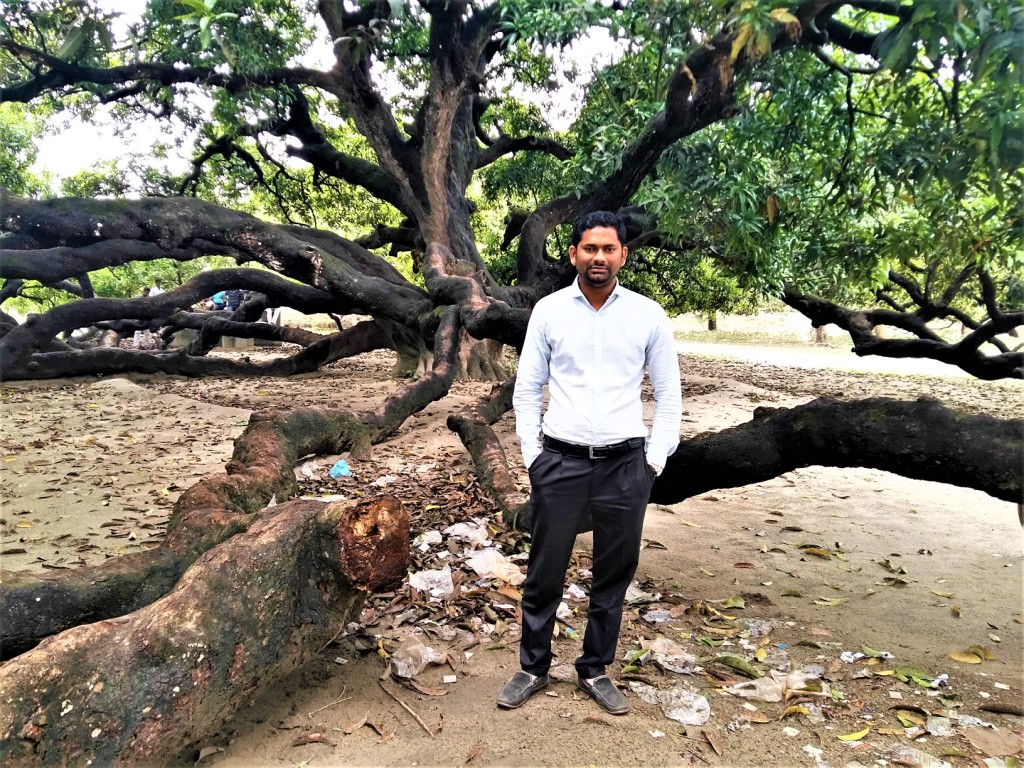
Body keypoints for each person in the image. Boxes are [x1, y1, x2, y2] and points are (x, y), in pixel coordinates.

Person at [498, 210, 682, 715]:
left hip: (627, 466)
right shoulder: (550, 312)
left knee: (613, 574)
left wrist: (653, 462)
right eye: (589, 248)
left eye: (608, 249)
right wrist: (534, 456)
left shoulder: (648, 315)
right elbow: (526, 389)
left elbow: (669, 396)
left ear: (623, 254)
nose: (598, 257)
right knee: (544, 571)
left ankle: (595, 668)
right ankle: (532, 667)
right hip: (560, 462)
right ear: (573, 253)